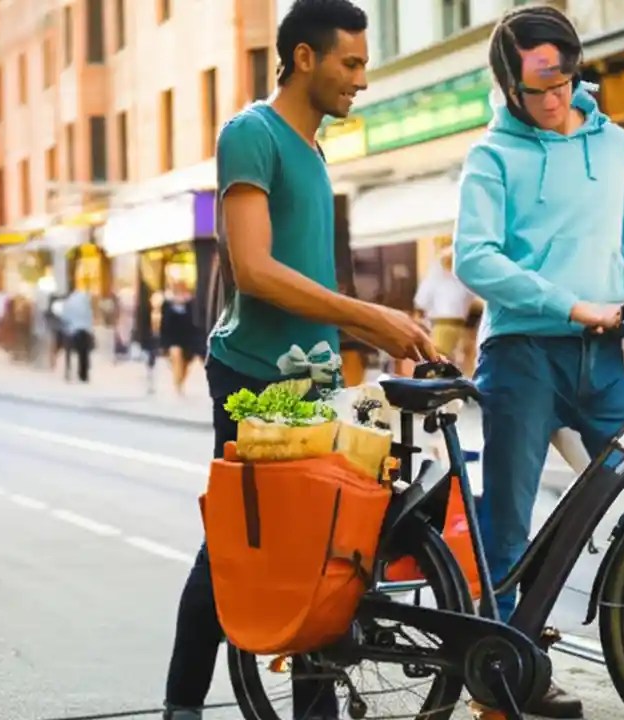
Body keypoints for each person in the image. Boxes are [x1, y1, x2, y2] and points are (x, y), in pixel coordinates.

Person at [161, 2, 438, 718]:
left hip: (309, 380)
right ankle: (182, 706)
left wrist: (367, 339)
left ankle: (313, 711)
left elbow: (304, 273)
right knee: (238, 543)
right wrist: (367, 315)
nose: (362, 81)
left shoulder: (313, 150)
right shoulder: (252, 134)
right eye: (351, 64)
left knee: (323, 549)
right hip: (256, 373)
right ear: (306, 58)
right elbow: (253, 269)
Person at [452, 5, 624, 717]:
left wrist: (622, 296)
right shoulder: (491, 156)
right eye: (539, 86)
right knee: (508, 524)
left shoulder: (615, 144)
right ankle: (506, 676)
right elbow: (475, 257)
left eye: (565, 79)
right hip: (523, 352)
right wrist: (569, 303)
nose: (556, 97)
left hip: (602, 361)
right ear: (508, 85)